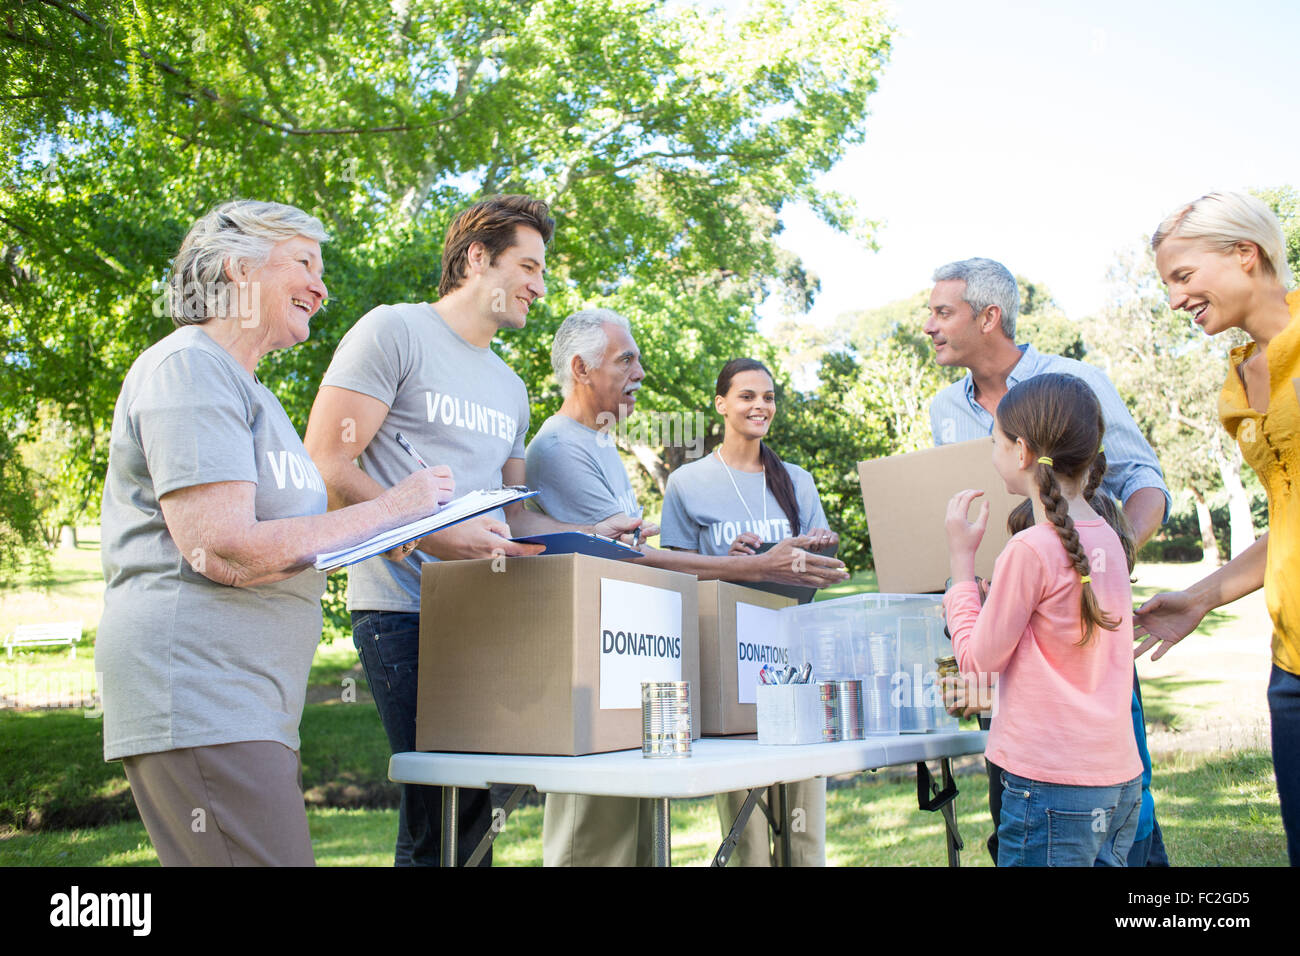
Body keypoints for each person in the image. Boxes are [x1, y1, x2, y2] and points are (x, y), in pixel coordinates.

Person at [96, 200, 456, 866]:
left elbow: (285, 536)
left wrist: (377, 532)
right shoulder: (189, 368)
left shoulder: (249, 389)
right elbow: (224, 547)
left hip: (247, 705)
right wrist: (393, 508)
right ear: (236, 266)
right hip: (202, 695)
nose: (322, 287)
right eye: (302, 263)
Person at [303, 197, 639, 867]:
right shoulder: (393, 331)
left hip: (486, 618)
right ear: (478, 257)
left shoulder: (511, 387)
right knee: (443, 814)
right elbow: (328, 459)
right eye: (528, 265)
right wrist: (433, 534)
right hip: (402, 611)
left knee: (471, 814)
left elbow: (516, 516)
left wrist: (589, 529)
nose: (540, 287)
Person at [527, 312, 846, 866]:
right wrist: (747, 569)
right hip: (593, 668)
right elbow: (629, 557)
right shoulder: (560, 448)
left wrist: (735, 562)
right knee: (595, 842)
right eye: (626, 359)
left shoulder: (600, 442)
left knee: (639, 838)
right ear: (580, 369)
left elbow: (644, 559)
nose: (641, 372)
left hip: (631, 662)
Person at [925, 256, 1171, 866]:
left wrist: (969, 567)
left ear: (989, 316)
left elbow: (979, 660)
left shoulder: (1074, 381)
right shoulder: (944, 409)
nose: (929, 325)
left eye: (941, 311)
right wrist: (1084, 568)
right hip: (1103, 767)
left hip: (1045, 767)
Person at [1137, 190, 1299, 865]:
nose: (1175, 301)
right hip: (1292, 664)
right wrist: (1202, 595)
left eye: (1183, 277)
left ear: (1245, 254)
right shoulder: (1244, 376)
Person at [945, 373, 1142, 866]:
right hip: (1118, 782)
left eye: (995, 441)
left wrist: (961, 567)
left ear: (1022, 451)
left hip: (1051, 787)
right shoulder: (1111, 540)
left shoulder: (1029, 548)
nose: (993, 454)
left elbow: (976, 664)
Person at [659, 357, 839, 867]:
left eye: (768, 397)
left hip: (794, 652)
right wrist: (733, 565)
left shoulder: (797, 481)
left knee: (803, 819)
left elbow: (817, 566)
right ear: (721, 404)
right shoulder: (688, 483)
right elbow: (674, 576)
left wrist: (814, 550)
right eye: (747, 396)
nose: (760, 405)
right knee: (747, 830)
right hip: (728, 661)